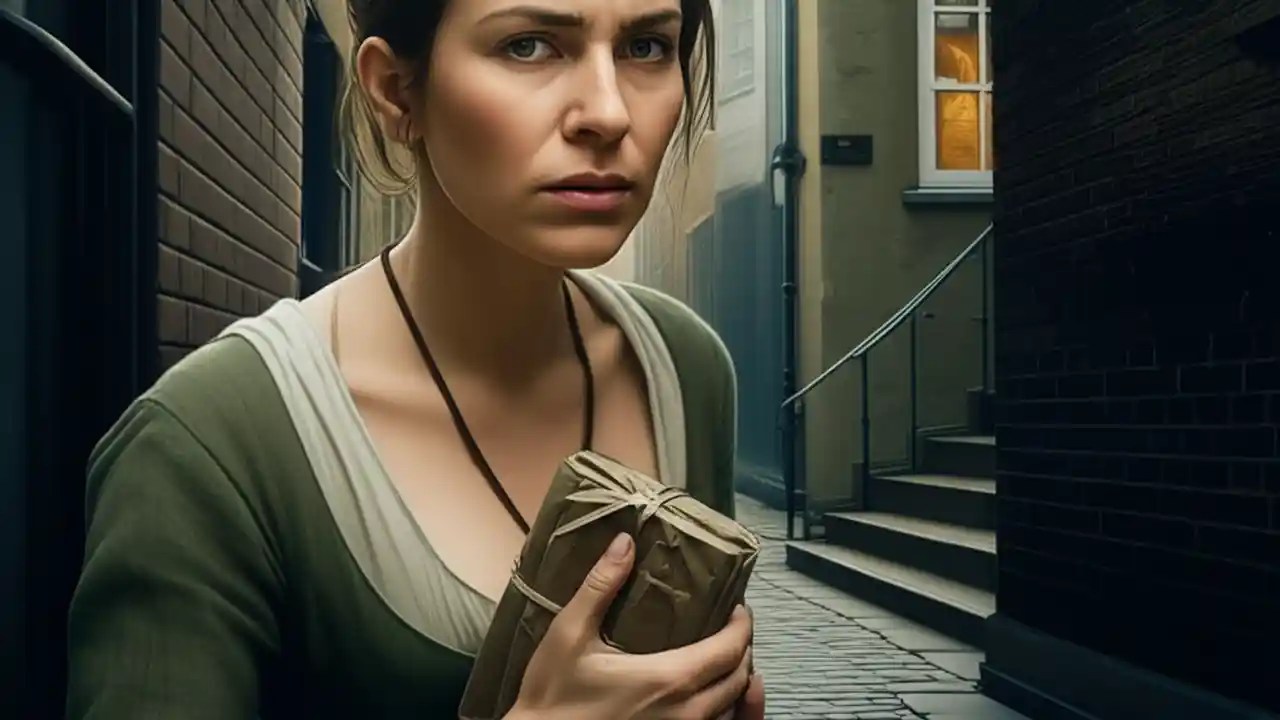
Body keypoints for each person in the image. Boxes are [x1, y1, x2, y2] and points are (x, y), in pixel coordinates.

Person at [65, 0, 766, 718]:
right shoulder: (208, 444)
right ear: (397, 91)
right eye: (529, 46)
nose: (609, 113)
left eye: (647, 47)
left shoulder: (684, 369)